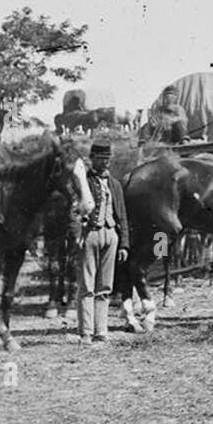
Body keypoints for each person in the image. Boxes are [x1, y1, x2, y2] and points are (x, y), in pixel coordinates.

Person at [78, 146, 130, 344]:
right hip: (89, 234)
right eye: (100, 159)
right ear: (91, 159)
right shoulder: (84, 182)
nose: (104, 162)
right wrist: (77, 235)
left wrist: (124, 243)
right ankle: (86, 332)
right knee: (87, 285)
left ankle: (101, 330)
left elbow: (122, 215)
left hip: (111, 235)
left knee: (105, 286)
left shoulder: (115, 184)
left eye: (107, 159)